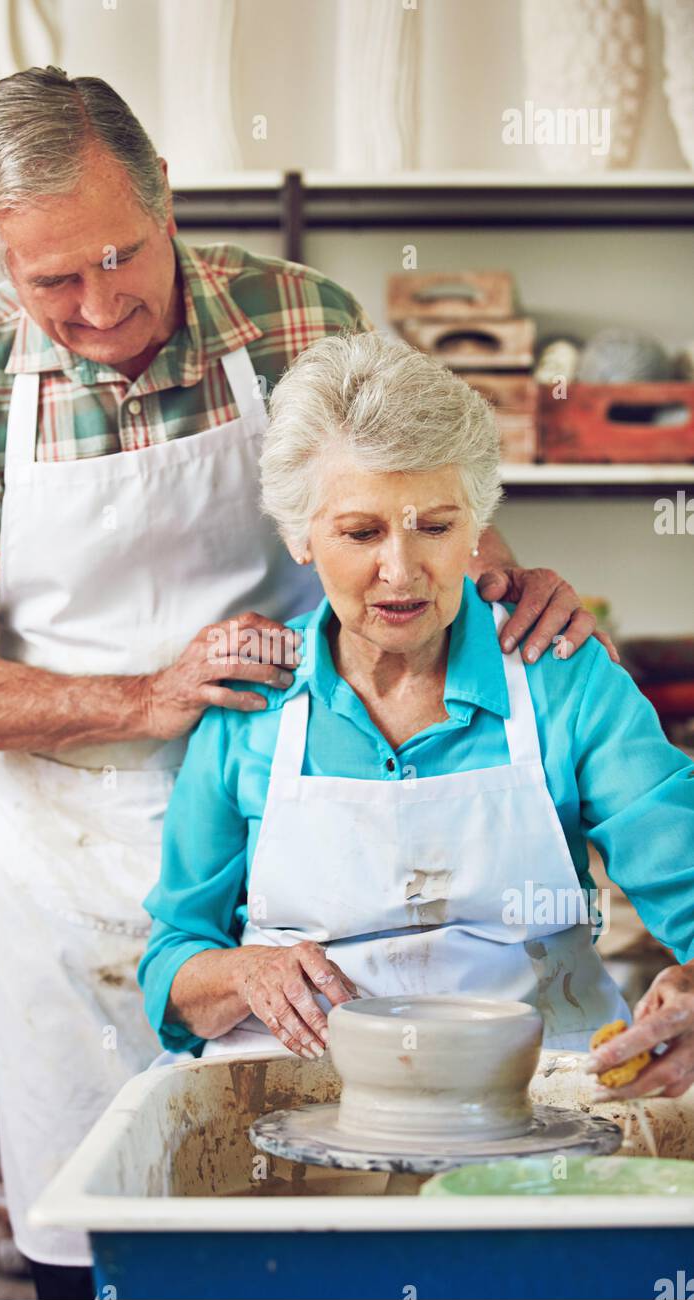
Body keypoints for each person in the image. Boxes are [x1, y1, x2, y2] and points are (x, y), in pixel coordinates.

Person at [0, 67, 619, 1297]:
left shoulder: (292, 313)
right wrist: (140, 702)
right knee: (91, 1223)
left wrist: (498, 570)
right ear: (0, 262)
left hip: (303, 822)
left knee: (314, 1211)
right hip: (74, 873)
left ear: (165, 201)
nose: (100, 305)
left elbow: (404, 489)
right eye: (53, 281)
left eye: (120, 255)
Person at [140, 332, 694, 1097]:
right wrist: (245, 971)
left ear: (477, 523)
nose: (400, 572)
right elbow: (173, 959)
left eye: (435, 527)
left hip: (536, 1096)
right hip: (301, 1102)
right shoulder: (251, 699)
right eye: (361, 532)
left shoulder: (561, 675)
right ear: (301, 536)